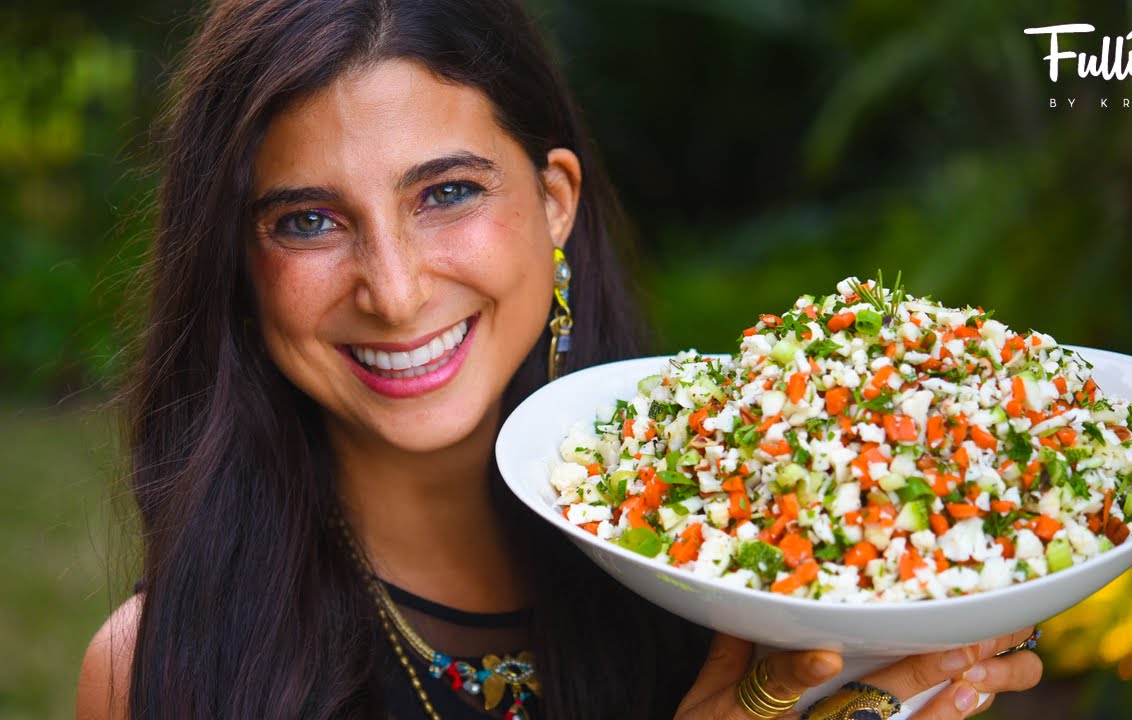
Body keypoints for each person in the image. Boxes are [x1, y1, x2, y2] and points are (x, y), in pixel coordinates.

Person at [76, 1, 1042, 718]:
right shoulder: (162, 671)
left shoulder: (763, 587)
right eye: (309, 221)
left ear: (555, 203)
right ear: (239, 262)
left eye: (446, 193)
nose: (396, 289)